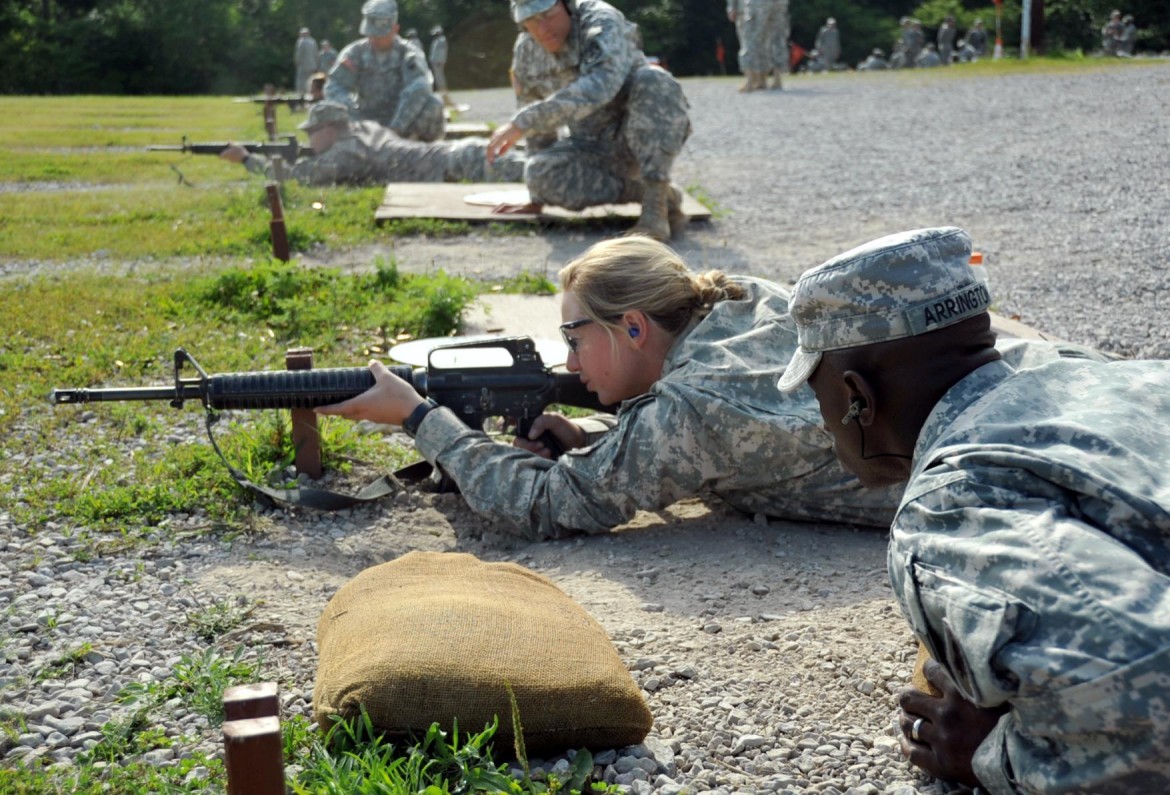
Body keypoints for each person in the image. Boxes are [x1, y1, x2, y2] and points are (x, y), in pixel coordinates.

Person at [779, 226, 1170, 794]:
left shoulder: (949, 505)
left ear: (857, 398)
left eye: (817, 392)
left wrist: (992, 754)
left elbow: (1158, 685)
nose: (823, 419)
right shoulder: (1123, 376)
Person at [315, 235, 903, 539]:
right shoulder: (739, 298)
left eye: (575, 339)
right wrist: (595, 432)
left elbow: (544, 505)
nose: (570, 365)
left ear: (634, 327)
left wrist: (419, 418)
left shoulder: (691, 408)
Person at [485, 0, 692, 243]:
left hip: (636, 135)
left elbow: (601, 85)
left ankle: (655, 208)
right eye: (531, 21)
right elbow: (535, 121)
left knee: (654, 80)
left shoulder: (601, 20)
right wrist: (537, 197)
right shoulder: (527, 50)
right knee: (538, 175)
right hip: (590, 146)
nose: (542, 29)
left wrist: (524, 122)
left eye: (548, 15)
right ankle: (650, 193)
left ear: (567, 6)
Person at [219, 101, 525, 187]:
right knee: (535, 162)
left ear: (329, 129)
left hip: (460, 164)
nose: (309, 138)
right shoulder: (363, 130)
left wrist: (247, 160)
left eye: (313, 131)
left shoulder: (349, 150)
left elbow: (300, 177)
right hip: (459, 156)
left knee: (537, 171)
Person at [326, 0, 445, 143]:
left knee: (434, 104)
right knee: (325, 110)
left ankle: (419, 151)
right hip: (365, 121)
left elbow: (420, 87)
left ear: (395, 29)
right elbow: (334, 87)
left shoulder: (409, 54)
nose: (373, 38)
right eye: (370, 33)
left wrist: (395, 129)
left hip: (401, 124)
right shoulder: (355, 53)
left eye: (379, 34)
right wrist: (354, 115)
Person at [428, 25, 453, 105]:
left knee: (440, 77)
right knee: (437, 77)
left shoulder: (441, 40)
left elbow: (442, 52)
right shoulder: (437, 40)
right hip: (435, 62)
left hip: (438, 62)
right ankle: (441, 91)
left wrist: (440, 60)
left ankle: (443, 91)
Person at [294, 27, 319, 95]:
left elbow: (299, 54)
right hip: (313, 66)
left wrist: (297, 63)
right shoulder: (313, 42)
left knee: (301, 81)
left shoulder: (301, 41)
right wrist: (316, 65)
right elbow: (316, 54)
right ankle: (311, 94)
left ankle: (301, 95)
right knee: (311, 81)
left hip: (303, 66)